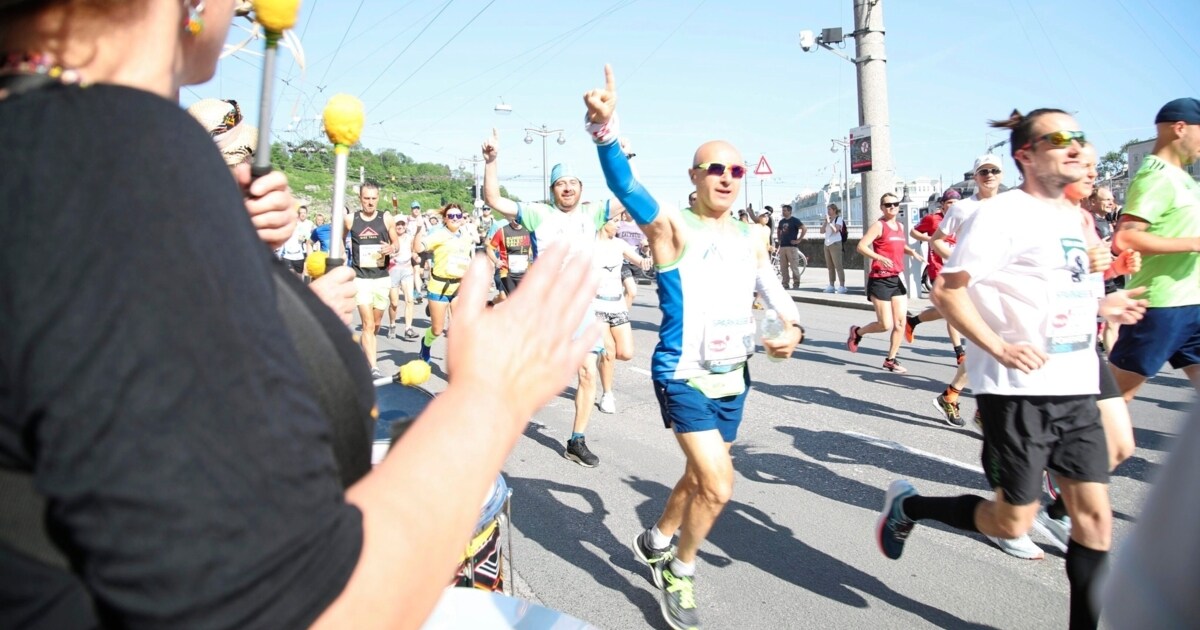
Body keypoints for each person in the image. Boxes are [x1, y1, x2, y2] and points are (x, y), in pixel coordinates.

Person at [0, 3, 599, 630]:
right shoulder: (108, 157)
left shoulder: (50, 140)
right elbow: (303, 609)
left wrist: (276, 297)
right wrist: (491, 395)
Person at [876, 108, 1147, 630]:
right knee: (1011, 520)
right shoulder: (999, 216)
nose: (1076, 147)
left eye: (1080, 137)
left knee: (1095, 522)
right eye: (1061, 138)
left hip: (1076, 387)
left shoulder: (1072, 218)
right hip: (1017, 393)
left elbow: (1060, 295)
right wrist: (999, 348)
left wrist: (1104, 307)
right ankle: (911, 508)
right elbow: (946, 293)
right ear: (1025, 154)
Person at [585, 64, 803, 630]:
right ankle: (680, 567)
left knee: (699, 474)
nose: (728, 178)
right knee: (719, 484)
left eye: (735, 170)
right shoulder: (673, 230)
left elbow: (770, 284)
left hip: (733, 376)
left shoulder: (752, 235)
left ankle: (656, 539)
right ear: (694, 175)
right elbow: (625, 187)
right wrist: (606, 131)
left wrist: (794, 324)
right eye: (716, 169)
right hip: (682, 373)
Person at [483, 128, 619, 468]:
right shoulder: (537, 213)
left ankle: (577, 439)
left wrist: (624, 157)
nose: (567, 187)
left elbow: (628, 195)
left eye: (573, 182)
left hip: (582, 305)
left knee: (587, 372)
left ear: (581, 189)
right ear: (552, 190)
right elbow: (494, 200)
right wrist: (491, 162)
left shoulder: (593, 213)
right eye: (561, 183)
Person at [1109, 97, 1200, 401]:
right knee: (1113, 400)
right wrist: (1193, 244)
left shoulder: (1184, 178)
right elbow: (1125, 238)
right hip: (1160, 306)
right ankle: (1059, 443)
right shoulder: (1156, 176)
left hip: (1192, 303)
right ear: (1180, 128)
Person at [917, 156, 1004, 430]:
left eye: (994, 171)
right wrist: (959, 261)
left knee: (992, 347)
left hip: (1006, 285)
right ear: (976, 177)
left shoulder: (1011, 205)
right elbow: (937, 241)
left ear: (1001, 175)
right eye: (983, 171)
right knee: (989, 344)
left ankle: (957, 397)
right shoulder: (963, 208)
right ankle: (974, 404)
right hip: (977, 285)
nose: (989, 175)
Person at [847, 193, 923, 374]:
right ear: (882, 207)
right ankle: (857, 333)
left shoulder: (899, 226)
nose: (892, 207)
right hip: (879, 279)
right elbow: (862, 246)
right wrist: (879, 257)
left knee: (900, 323)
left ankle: (891, 360)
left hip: (896, 279)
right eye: (888, 205)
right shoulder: (879, 226)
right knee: (885, 325)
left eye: (895, 204)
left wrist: (911, 251)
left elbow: (897, 245)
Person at [594, 215, 652, 414]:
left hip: (617, 304)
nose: (619, 225)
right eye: (615, 221)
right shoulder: (588, 244)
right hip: (595, 306)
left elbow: (640, 262)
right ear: (602, 222)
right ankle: (607, 394)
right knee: (609, 352)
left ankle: (598, 356)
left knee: (625, 353)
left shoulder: (620, 244)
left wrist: (648, 257)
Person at [346, 182, 399, 379]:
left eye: (373, 198)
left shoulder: (386, 218)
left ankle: (366, 346)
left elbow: (397, 243)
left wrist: (391, 248)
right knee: (367, 324)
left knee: (376, 324)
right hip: (360, 278)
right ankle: (373, 368)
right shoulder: (351, 219)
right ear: (360, 198)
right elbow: (340, 240)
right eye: (366, 198)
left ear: (378, 198)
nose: (370, 202)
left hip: (381, 277)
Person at [908, 189, 966, 365]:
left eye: (956, 203)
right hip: (938, 270)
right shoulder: (933, 219)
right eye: (949, 203)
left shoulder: (964, 218)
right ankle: (959, 352)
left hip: (960, 270)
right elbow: (913, 232)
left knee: (948, 311)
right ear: (943, 204)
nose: (953, 206)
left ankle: (913, 321)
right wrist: (931, 240)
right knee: (952, 311)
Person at [413, 203, 475, 365]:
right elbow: (418, 247)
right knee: (437, 329)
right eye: (451, 216)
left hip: (458, 287)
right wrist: (419, 229)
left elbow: (467, 259)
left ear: (462, 218)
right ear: (445, 219)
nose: (455, 219)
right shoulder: (438, 235)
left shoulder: (466, 235)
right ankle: (425, 345)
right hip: (439, 286)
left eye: (458, 216)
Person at [386, 216, 420, 341]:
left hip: (407, 270)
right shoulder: (389, 238)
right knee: (394, 303)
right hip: (393, 269)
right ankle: (392, 324)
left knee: (409, 300)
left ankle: (408, 329)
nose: (400, 227)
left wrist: (415, 257)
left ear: (406, 226)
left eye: (402, 224)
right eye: (398, 225)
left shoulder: (410, 238)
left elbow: (413, 251)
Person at [615, 209, 649, 309]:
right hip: (621, 261)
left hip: (636, 262)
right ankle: (621, 319)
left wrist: (646, 249)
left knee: (629, 293)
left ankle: (621, 317)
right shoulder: (618, 224)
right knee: (632, 291)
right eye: (628, 210)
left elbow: (644, 246)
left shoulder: (641, 226)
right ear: (624, 213)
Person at [775, 204, 806, 289]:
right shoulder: (781, 222)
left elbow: (804, 228)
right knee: (783, 267)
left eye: (785, 210)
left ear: (789, 211)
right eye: (782, 210)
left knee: (794, 266)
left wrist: (799, 239)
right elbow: (778, 230)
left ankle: (796, 283)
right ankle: (785, 283)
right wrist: (779, 239)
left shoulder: (794, 220)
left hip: (792, 246)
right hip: (783, 246)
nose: (783, 212)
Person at [822, 203, 847, 293]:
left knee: (838, 265)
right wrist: (825, 222)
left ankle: (842, 286)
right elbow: (821, 231)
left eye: (829, 210)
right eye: (827, 210)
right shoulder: (828, 220)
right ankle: (831, 285)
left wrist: (829, 222)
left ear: (834, 210)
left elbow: (836, 230)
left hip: (835, 243)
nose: (828, 211)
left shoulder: (838, 219)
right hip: (827, 244)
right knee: (830, 266)